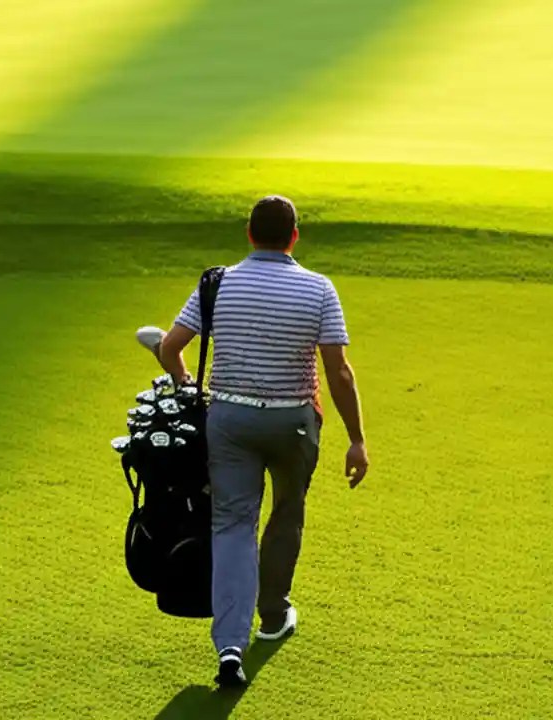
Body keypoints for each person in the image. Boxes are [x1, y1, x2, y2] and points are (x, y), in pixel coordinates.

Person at [152, 195, 368, 687]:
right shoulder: (318, 289)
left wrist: (188, 385)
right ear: (294, 237)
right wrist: (356, 439)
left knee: (232, 524)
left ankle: (230, 648)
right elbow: (339, 372)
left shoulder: (218, 283)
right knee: (287, 511)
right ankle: (272, 615)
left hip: (228, 420)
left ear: (249, 234)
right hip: (293, 422)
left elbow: (169, 347)